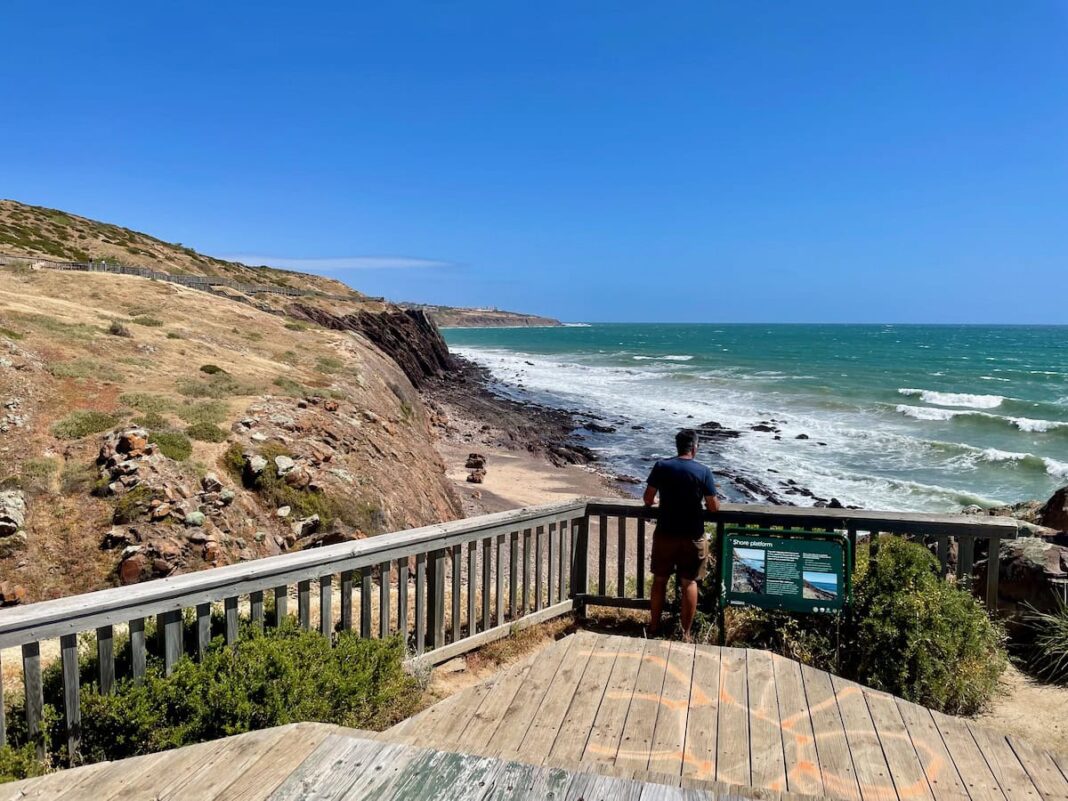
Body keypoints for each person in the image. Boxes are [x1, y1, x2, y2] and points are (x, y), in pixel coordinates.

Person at [642, 428, 720, 641]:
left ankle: (654, 627)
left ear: (677, 447)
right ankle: (685, 634)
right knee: (689, 582)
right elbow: (713, 507)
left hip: (666, 532)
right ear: (695, 448)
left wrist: (657, 503)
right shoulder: (703, 471)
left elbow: (648, 498)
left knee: (659, 580)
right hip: (693, 535)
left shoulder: (662, 466)